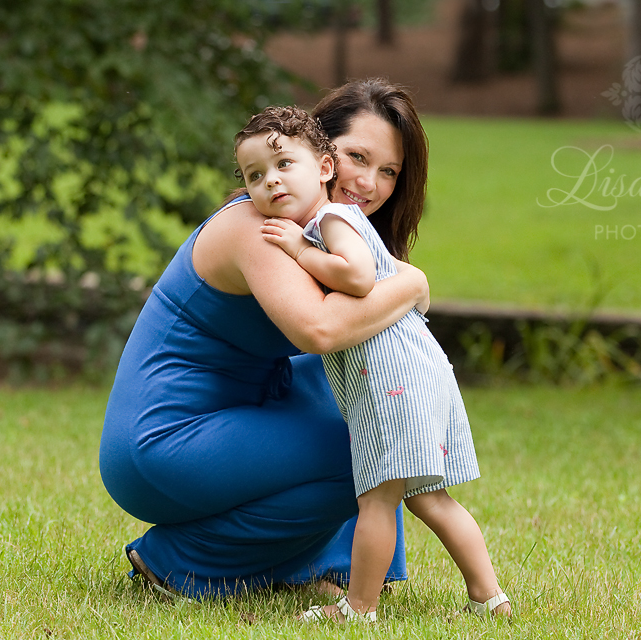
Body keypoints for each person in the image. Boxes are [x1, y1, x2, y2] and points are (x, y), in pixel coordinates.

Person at [98, 79, 429, 599]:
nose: (367, 182)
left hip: (232, 413)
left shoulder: (319, 235)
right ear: (320, 152)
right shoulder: (259, 227)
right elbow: (318, 330)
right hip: (161, 442)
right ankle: (179, 561)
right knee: (372, 448)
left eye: (388, 171)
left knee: (373, 393)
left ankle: (345, 566)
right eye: (356, 157)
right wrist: (411, 283)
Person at [236, 106, 511, 622]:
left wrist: (299, 250)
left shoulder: (331, 219)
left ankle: (360, 608)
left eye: (282, 167)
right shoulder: (331, 218)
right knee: (430, 498)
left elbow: (358, 278)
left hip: (391, 380)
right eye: (255, 177)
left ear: (322, 167)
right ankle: (490, 598)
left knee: (378, 501)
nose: (271, 182)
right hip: (416, 370)